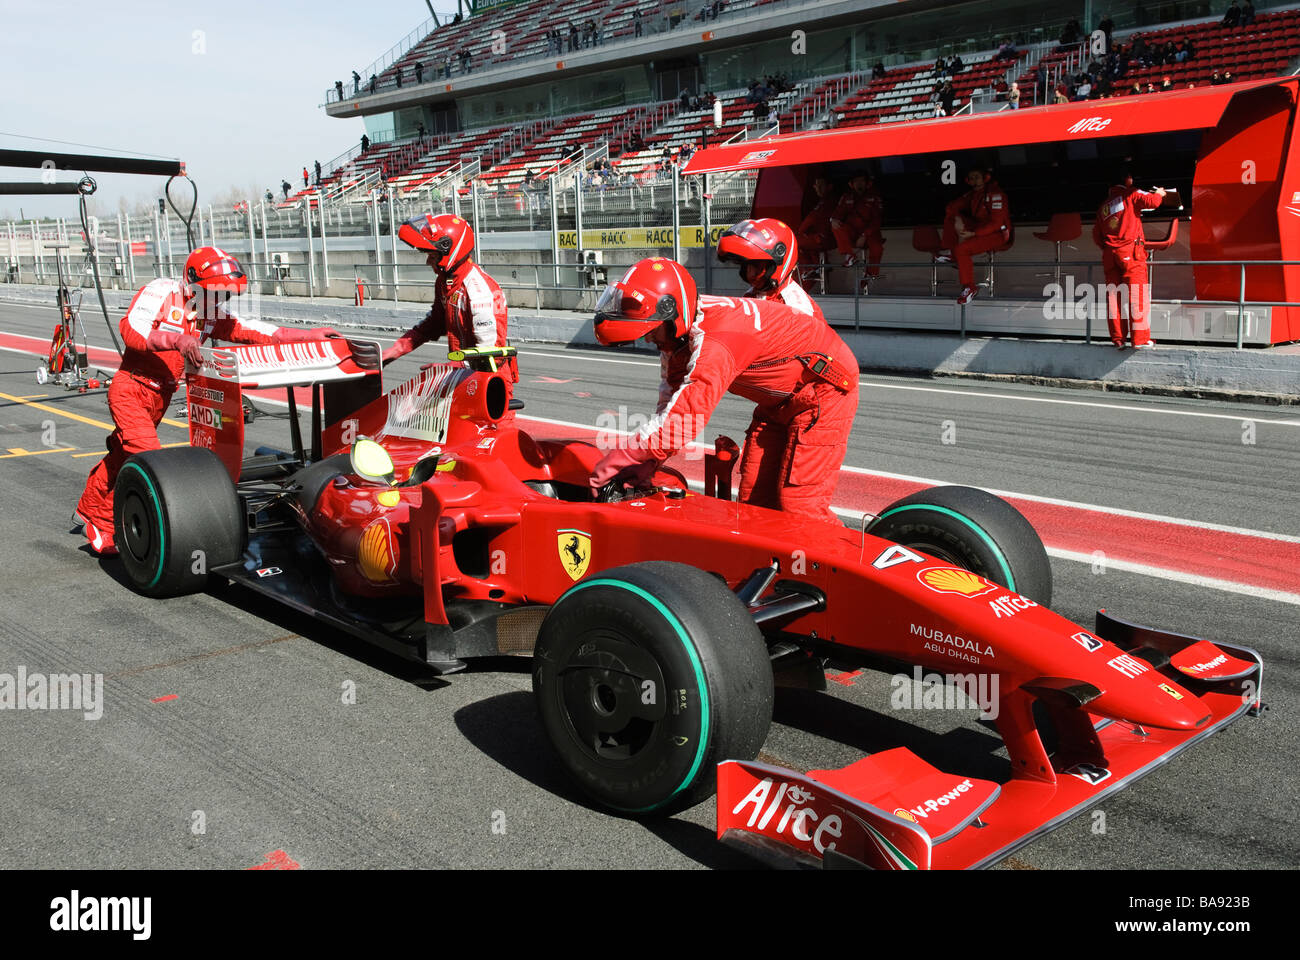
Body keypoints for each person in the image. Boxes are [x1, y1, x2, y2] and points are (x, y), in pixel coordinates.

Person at [74, 248, 339, 554]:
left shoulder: (209, 312)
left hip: (160, 396)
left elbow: (252, 330)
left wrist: (307, 335)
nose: (220, 300)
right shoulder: (161, 291)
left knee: (122, 454)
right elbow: (130, 330)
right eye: (215, 292)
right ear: (192, 282)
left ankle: (92, 513)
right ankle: (146, 533)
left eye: (225, 294)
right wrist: (177, 340)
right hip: (130, 390)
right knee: (150, 458)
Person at [589, 259, 857, 521]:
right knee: (755, 504)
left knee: (799, 507)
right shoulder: (682, 329)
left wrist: (621, 457)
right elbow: (671, 406)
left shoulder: (717, 341)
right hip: (778, 403)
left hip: (824, 390)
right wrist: (647, 462)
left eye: (650, 330)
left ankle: (852, 557)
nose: (647, 337)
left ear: (671, 313)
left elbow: (684, 419)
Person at [383, 214, 514, 380]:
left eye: (432, 255)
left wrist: (451, 368)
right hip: (462, 378)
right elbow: (434, 323)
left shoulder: (479, 291)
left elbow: (492, 354)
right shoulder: (445, 282)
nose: (428, 262)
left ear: (449, 250)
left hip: (490, 384)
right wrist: (396, 350)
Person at [1094, 171, 1166, 349]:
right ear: (1128, 181)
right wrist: (1160, 193)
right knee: (1137, 295)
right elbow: (1153, 202)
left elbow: (1097, 236)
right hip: (1131, 254)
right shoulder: (1131, 193)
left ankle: (1118, 339)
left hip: (1110, 256)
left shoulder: (1103, 206)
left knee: (1113, 298)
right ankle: (1139, 340)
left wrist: (1112, 248)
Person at [717, 218, 824, 321]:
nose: (750, 273)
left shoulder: (797, 308)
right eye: (746, 266)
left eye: (755, 265)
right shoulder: (752, 295)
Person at [936, 166, 1011, 305]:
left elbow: (996, 223)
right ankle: (951, 253)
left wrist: (974, 233)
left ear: (985, 178)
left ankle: (969, 287)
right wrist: (957, 217)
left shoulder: (995, 194)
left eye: (977, 176)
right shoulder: (972, 194)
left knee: (962, 250)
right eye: (971, 178)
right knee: (952, 217)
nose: (974, 180)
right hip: (979, 229)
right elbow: (951, 207)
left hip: (998, 234)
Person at [830, 172, 885, 288]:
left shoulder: (874, 197)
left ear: (867, 183)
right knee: (835, 225)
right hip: (853, 232)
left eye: (862, 181)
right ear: (852, 184)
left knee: (877, 247)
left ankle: (870, 274)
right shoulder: (846, 197)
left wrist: (865, 234)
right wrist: (833, 219)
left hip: (870, 233)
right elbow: (837, 213)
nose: (859, 184)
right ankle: (849, 255)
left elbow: (877, 220)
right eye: (856, 181)